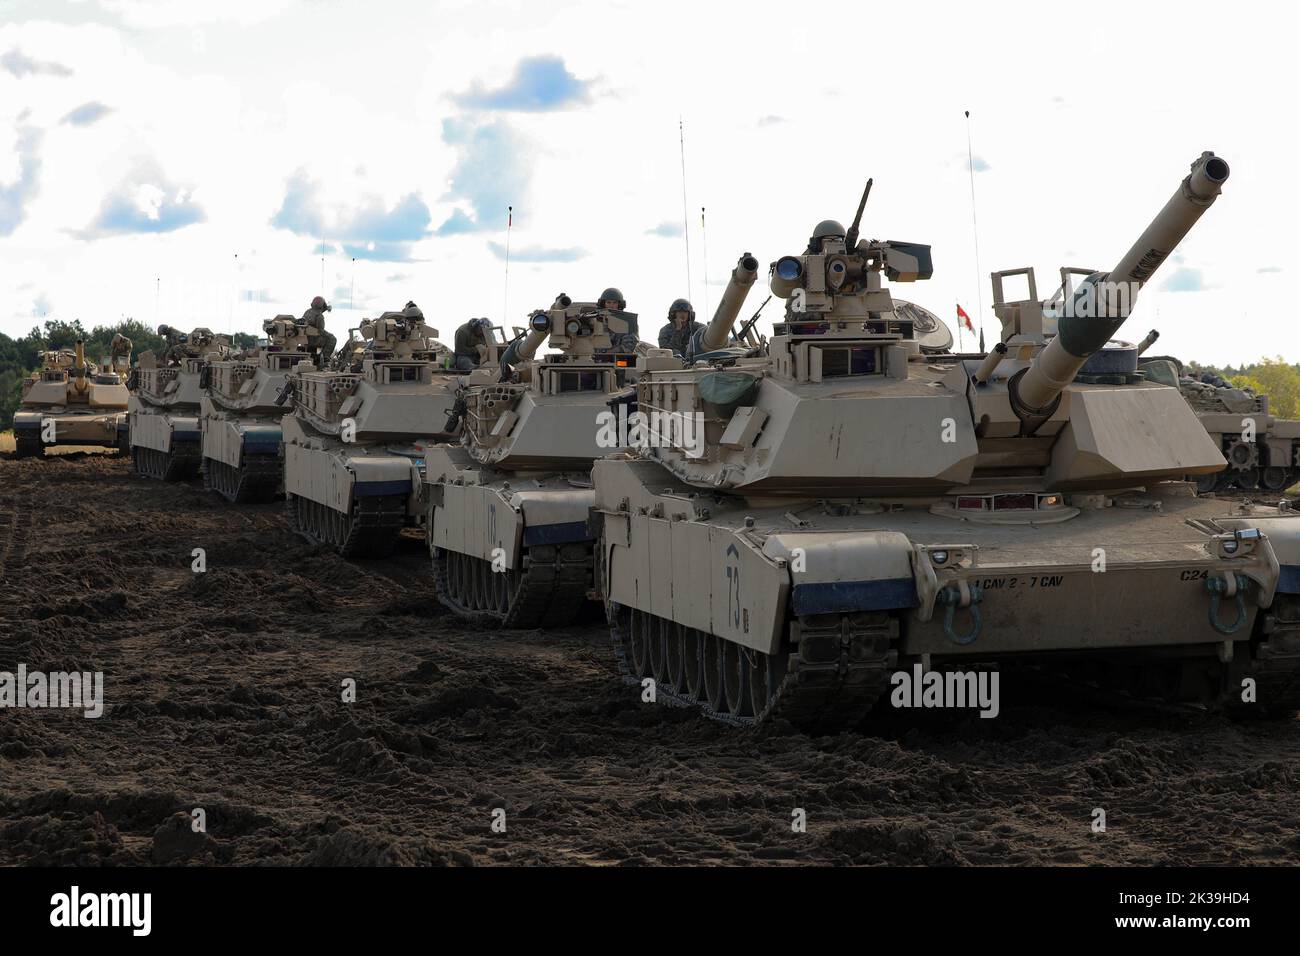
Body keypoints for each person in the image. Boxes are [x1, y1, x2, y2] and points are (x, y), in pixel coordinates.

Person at [301, 296, 335, 367]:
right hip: (314, 339)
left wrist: (326, 308)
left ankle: (318, 357)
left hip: (305, 339)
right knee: (332, 339)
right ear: (322, 306)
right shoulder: (319, 316)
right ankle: (324, 358)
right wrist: (329, 335)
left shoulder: (307, 312)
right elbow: (321, 331)